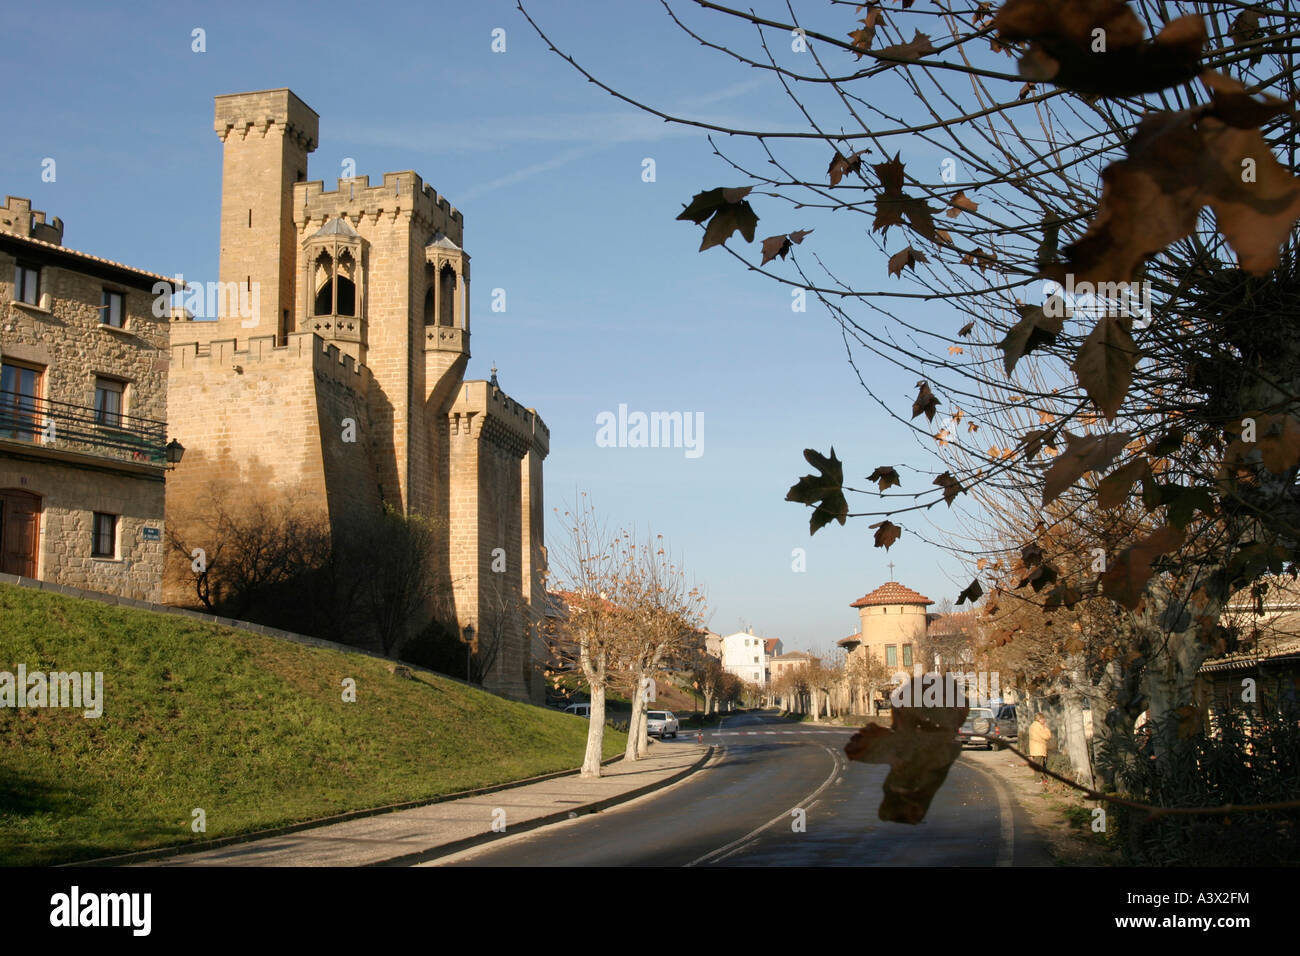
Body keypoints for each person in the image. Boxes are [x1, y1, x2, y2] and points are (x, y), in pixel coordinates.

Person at [1028, 712, 1052, 785]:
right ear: (1039, 719)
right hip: (1039, 748)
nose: (1044, 720)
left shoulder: (1033, 726)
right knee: (1039, 764)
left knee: (1039, 764)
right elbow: (1047, 736)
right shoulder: (1039, 727)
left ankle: (1042, 779)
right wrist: (1046, 728)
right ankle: (1038, 780)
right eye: (1043, 719)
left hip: (1035, 748)